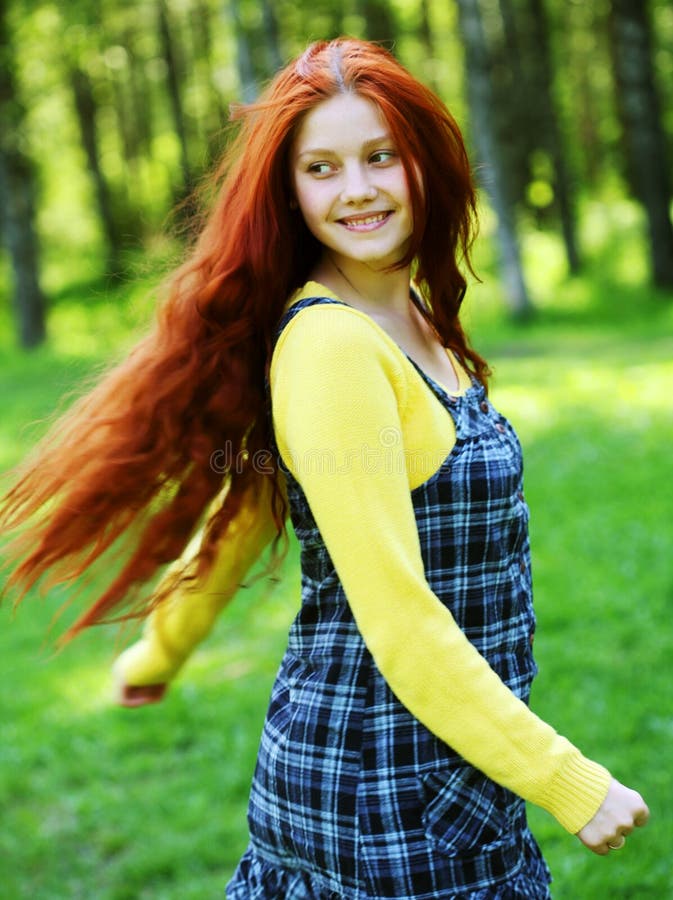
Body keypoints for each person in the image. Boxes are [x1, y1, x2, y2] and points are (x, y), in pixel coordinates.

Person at [1, 38, 648, 899]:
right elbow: (398, 620)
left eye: (380, 156)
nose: (357, 190)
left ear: (424, 161)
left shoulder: (402, 316)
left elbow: (248, 511)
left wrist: (158, 655)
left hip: (434, 768)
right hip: (383, 796)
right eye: (322, 167)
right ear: (289, 191)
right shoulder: (331, 348)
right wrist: (568, 779)